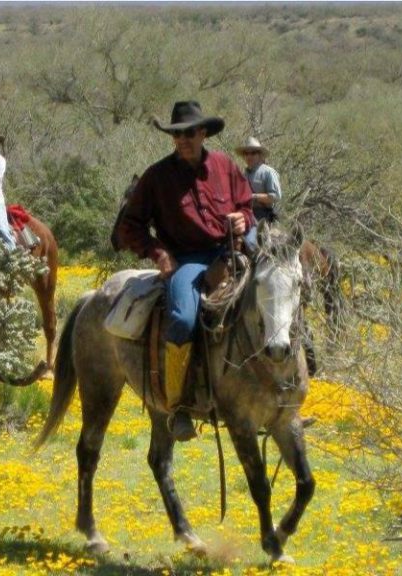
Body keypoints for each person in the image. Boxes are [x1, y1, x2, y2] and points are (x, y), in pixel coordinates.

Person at [117, 101, 255, 442]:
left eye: (190, 133)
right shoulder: (157, 176)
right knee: (181, 316)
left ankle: (286, 385)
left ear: (203, 133)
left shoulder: (225, 166)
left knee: (277, 290)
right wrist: (158, 253)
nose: (183, 140)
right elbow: (128, 227)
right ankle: (178, 406)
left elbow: (247, 208)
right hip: (189, 260)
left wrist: (243, 219)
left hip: (232, 251)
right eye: (177, 134)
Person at [236, 136, 281, 222]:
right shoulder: (243, 174)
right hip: (245, 214)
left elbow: (275, 196)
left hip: (263, 216)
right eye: (246, 153)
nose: (249, 156)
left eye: (253, 153)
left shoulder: (268, 172)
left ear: (260, 155)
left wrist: (254, 197)